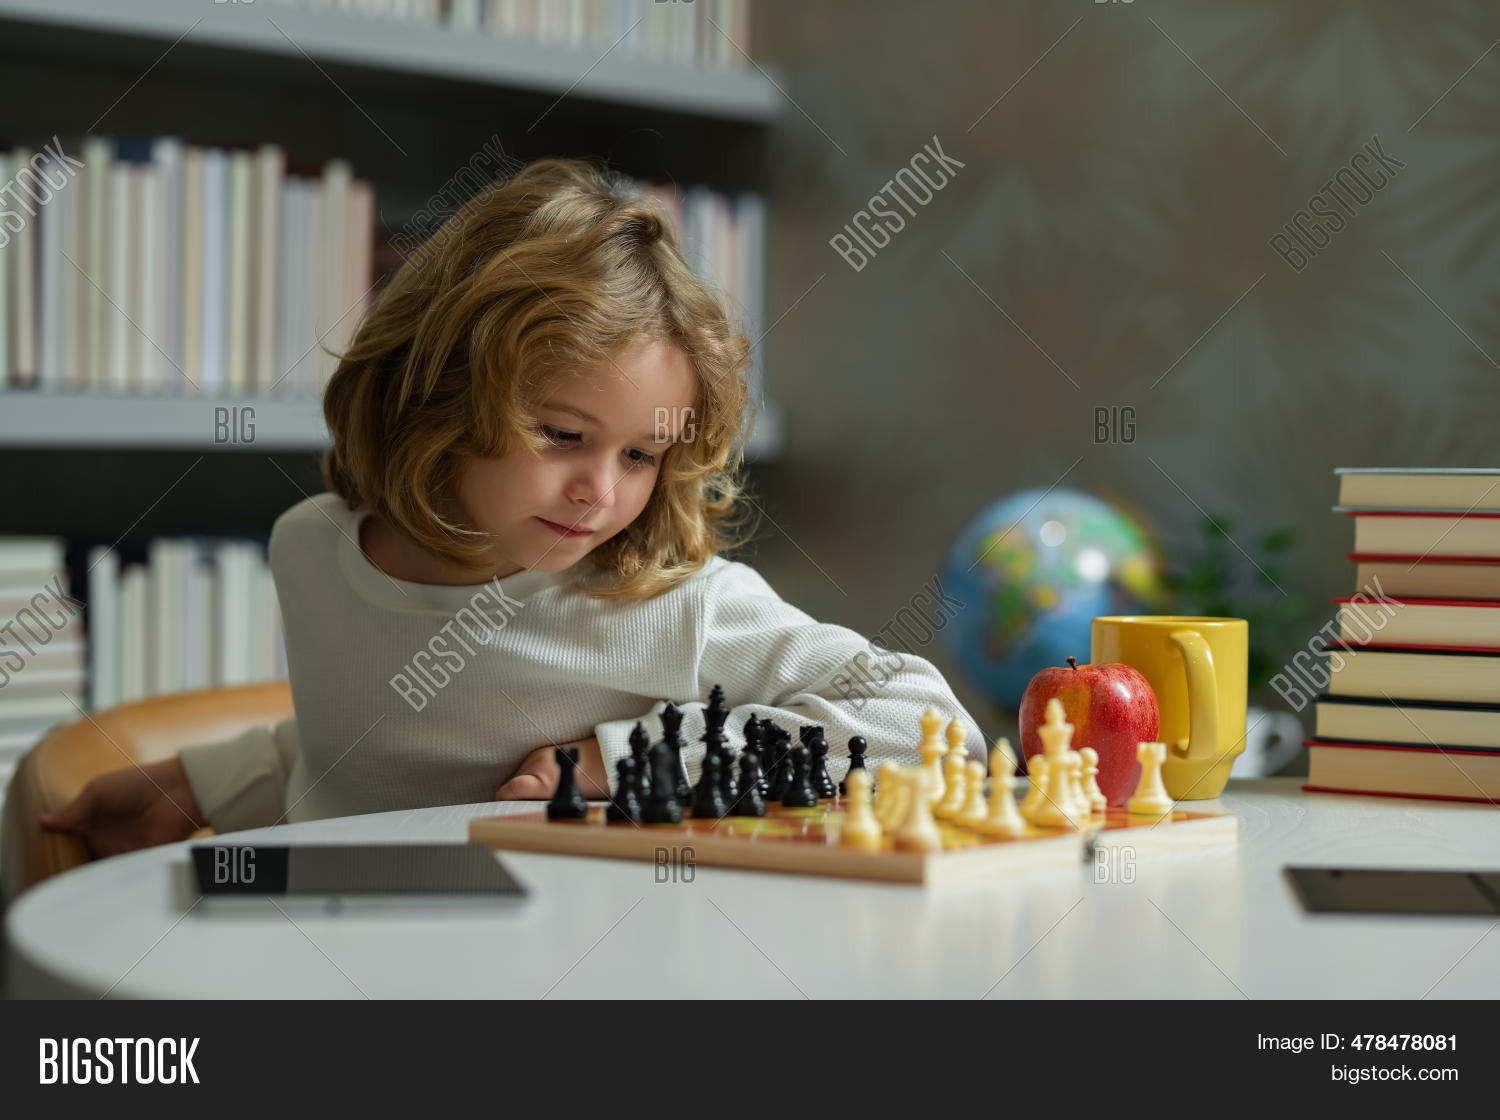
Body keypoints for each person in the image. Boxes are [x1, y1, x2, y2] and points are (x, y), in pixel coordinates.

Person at [41, 158, 984, 859]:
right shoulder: (312, 549)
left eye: (642, 455)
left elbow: (930, 724)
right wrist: (195, 784)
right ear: (438, 395)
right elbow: (378, 735)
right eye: (562, 435)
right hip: (333, 951)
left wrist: (643, 759)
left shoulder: (672, 605)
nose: (601, 492)